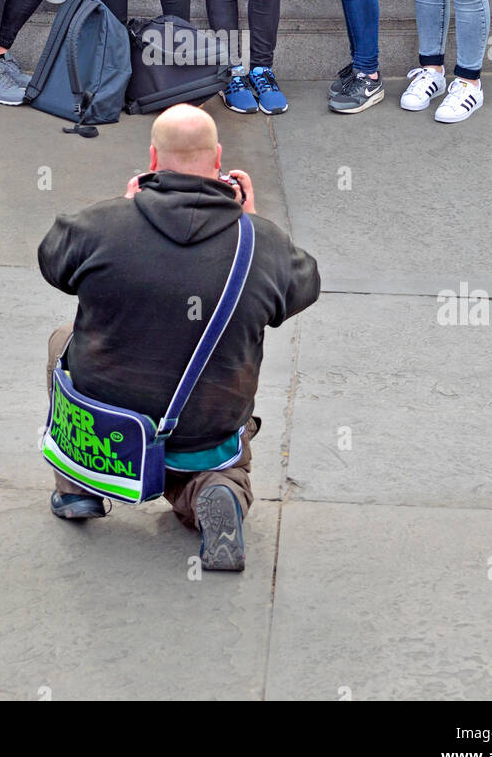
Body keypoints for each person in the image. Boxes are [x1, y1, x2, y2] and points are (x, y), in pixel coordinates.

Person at [38, 103, 320, 571]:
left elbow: (54, 262)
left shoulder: (98, 227)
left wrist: (122, 216)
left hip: (110, 428)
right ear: (219, 159)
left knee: (60, 340)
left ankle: (79, 487)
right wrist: (252, 221)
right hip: (201, 431)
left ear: (152, 159)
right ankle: (214, 490)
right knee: (216, 467)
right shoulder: (260, 245)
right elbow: (302, 286)